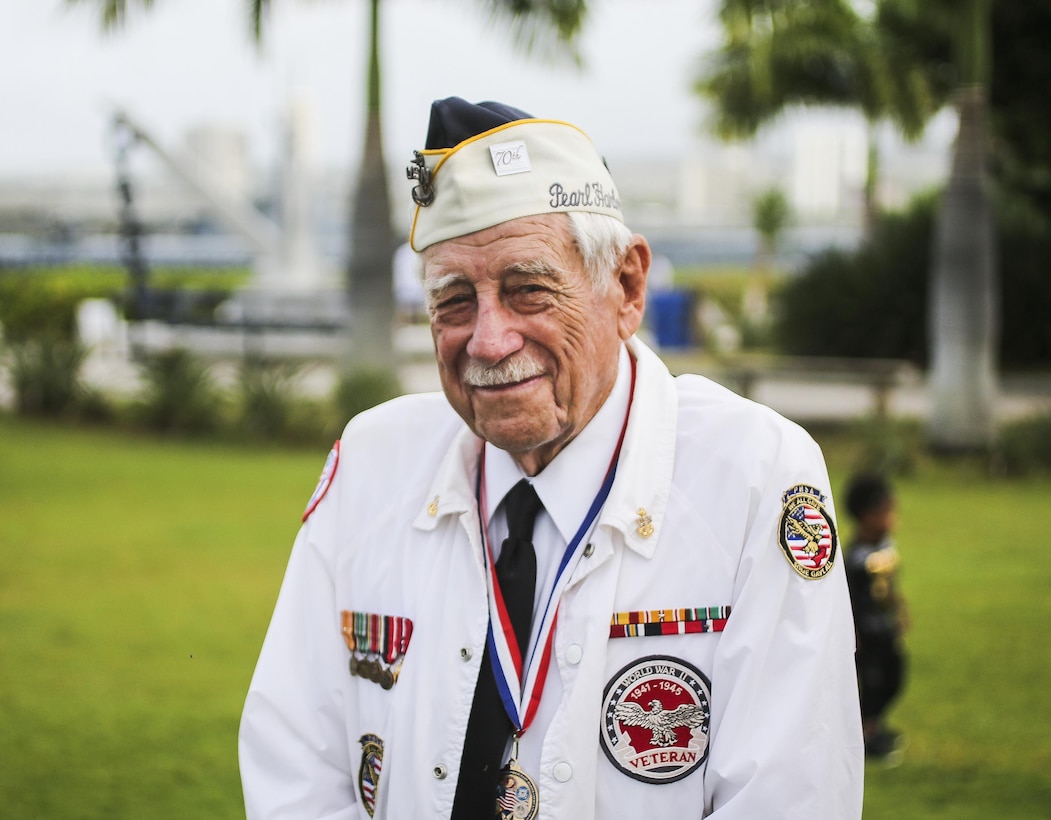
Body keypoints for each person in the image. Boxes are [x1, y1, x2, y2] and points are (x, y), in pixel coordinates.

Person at [239, 96, 864, 819]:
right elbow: (295, 767)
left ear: (626, 287)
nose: (488, 340)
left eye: (526, 289)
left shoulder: (753, 474)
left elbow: (791, 793)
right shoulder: (371, 464)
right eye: (453, 301)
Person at [843, 472, 908, 764]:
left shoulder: (886, 546)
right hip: (866, 633)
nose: (891, 518)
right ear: (866, 515)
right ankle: (866, 735)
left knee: (894, 677)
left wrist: (901, 609)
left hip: (886, 628)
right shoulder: (856, 557)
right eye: (885, 512)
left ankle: (875, 725)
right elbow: (850, 599)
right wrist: (852, 631)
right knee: (872, 683)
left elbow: (891, 584)